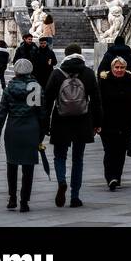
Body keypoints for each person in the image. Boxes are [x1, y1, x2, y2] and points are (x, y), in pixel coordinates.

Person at [42, 44, 102, 209]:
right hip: (82, 120)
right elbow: (96, 100)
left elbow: (47, 100)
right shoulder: (88, 73)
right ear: (81, 55)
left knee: (59, 156)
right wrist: (97, 123)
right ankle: (75, 196)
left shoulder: (57, 73)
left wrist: (44, 122)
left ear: (66, 55)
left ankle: (62, 182)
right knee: (78, 159)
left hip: (61, 120)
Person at [0, 59, 43, 213]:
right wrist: (42, 134)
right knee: (28, 167)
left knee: (12, 164)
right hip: (31, 128)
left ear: (15, 72)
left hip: (13, 128)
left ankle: (12, 197)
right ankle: (24, 201)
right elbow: (41, 113)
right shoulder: (35, 87)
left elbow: (2, 113)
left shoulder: (9, 88)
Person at [98, 56, 131, 191]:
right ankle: (110, 177)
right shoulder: (104, 81)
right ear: (112, 68)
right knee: (109, 150)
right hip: (107, 123)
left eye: (122, 67)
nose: (119, 70)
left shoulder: (129, 80)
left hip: (125, 122)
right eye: (117, 67)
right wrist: (97, 121)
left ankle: (117, 176)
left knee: (121, 151)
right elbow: (97, 103)